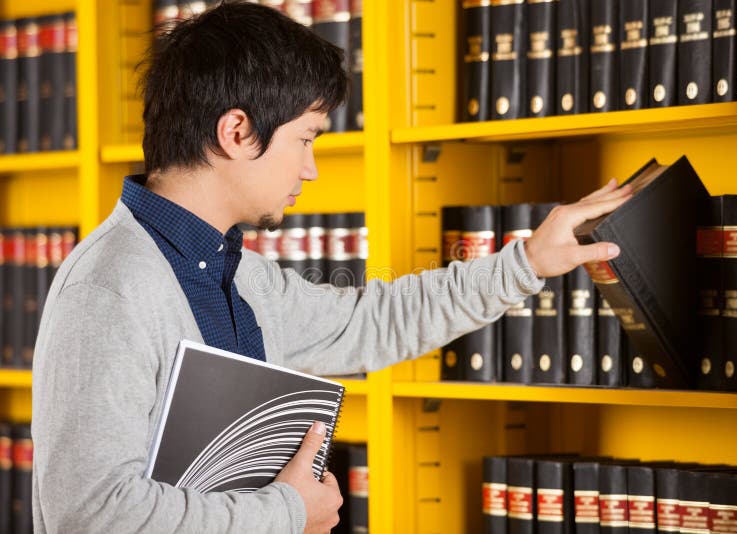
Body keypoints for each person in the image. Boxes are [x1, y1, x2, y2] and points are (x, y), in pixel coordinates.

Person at [31, 2, 630, 533]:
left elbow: (370, 322)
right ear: (238, 132)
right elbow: (92, 515)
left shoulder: (237, 274)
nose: (311, 169)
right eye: (307, 139)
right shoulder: (110, 288)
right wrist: (289, 513)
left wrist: (527, 261)